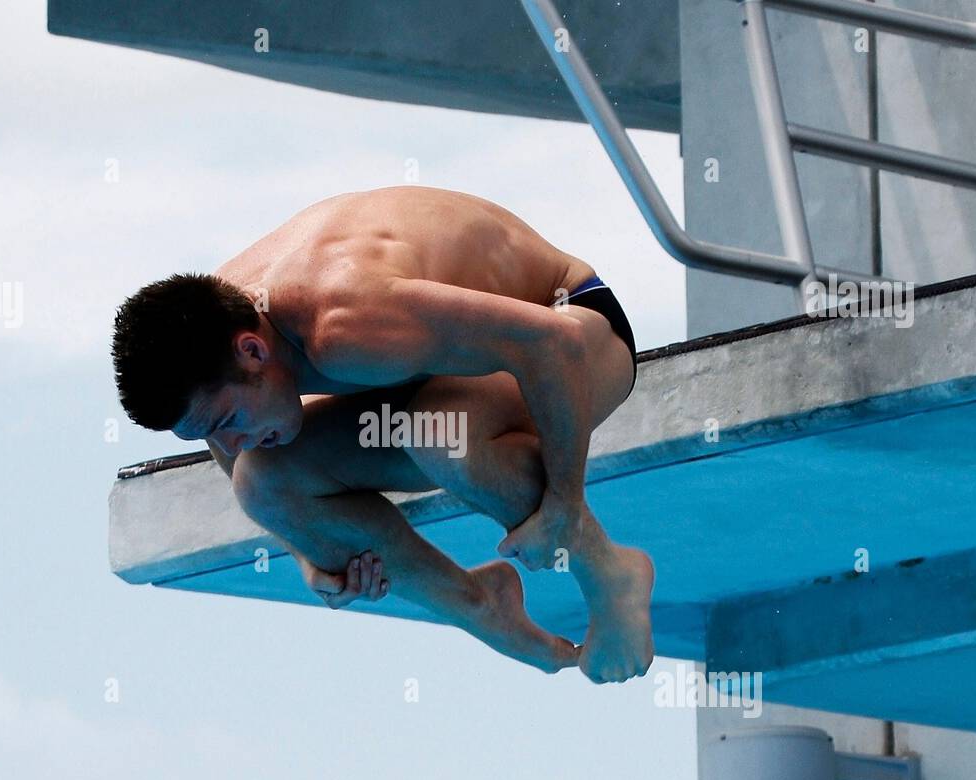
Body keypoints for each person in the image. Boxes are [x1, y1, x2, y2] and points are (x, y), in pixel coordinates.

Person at [112, 186, 653, 683]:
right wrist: (311, 551)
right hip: (451, 373)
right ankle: (480, 605)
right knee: (260, 484)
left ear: (252, 351)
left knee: (443, 436)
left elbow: (553, 343)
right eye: (210, 434)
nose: (229, 443)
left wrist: (564, 503)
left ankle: (611, 572)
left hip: (573, 323)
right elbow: (237, 457)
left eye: (227, 423)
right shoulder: (218, 333)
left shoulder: (346, 320)